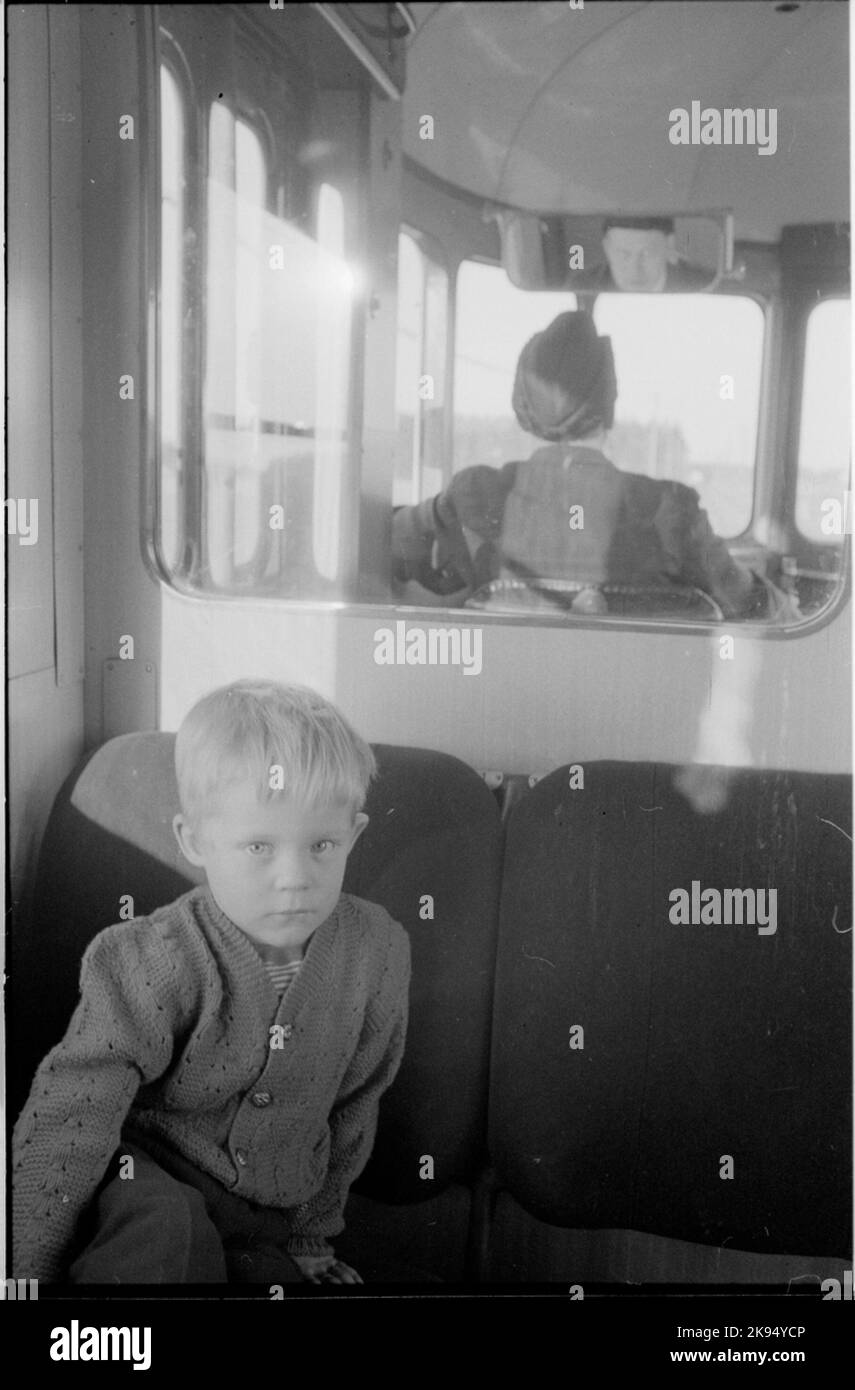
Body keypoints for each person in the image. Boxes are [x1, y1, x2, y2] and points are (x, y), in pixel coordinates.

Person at [12, 680, 411, 1285]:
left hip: (266, 1210)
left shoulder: (376, 951)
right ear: (194, 841)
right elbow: (75, 1104)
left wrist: (311, 1235)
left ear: (353, 835)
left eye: (322, 845)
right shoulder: (151, 957)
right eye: (259, 845)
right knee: (164, 1230)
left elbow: (355, 1103)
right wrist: (26, 1267)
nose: (294, 878)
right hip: (148, 1177)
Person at [392, 311, 790, 620]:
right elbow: (747, 604)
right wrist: (782, 599)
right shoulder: (672, 509)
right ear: (609, 406)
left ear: (522, 406)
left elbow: (397, 542)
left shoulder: (472, 495)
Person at [577, 215, 712, 293]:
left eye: (646, 254)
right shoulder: (583, 286)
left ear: (669, 246)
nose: (634, 270)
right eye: (624, 254)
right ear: (607, 248)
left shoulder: (704, 286)